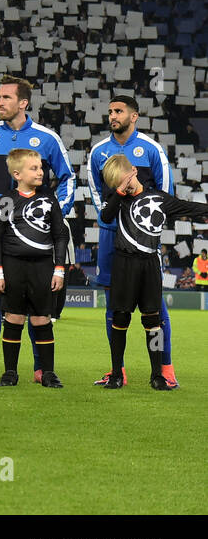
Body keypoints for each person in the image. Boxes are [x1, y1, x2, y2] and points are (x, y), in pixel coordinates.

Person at [0, 76, 74, 384]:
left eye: (6, 98)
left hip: (35, 237)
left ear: (23, 103)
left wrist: (54, 214)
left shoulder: (47, 138)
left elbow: (68, 178)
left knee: (38, 302)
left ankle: (40, 369)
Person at [84, 95, 178, 388]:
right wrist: (111, 220)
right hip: (112, 237)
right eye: (110, 111)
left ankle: (165, 368)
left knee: (155, 308)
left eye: (119, 111)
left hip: (143, 241)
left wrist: (148, 229)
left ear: (133, 116)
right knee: (114, 306)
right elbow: (98, 196)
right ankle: (117, 371)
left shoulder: (151, 150)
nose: (112, 116)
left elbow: (164, 192)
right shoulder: (99, 152)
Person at [99, 154, 208, 391]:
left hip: (149, 266)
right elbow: (105, 216)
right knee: (120, 318)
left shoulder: (158, 198)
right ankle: (117, 373)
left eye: (123, 181)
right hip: (124, 264)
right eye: (116, 184)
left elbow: (188, 207)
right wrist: (118, 192)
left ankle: (157, 375)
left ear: (133, 172)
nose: (122, 187)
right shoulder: (116, 199)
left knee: (153, 322)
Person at [0, 149, 68, 389]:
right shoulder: (6, 200)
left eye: (41, 168)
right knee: (13, 317)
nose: (40, 172)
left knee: (42, 319)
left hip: (43, 267)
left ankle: (48, 373)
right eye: (34, 168)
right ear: (17, 174)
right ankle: (10, 372)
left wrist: (59, 269)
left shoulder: (49, 199)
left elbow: (59, 236)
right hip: (13, 266)